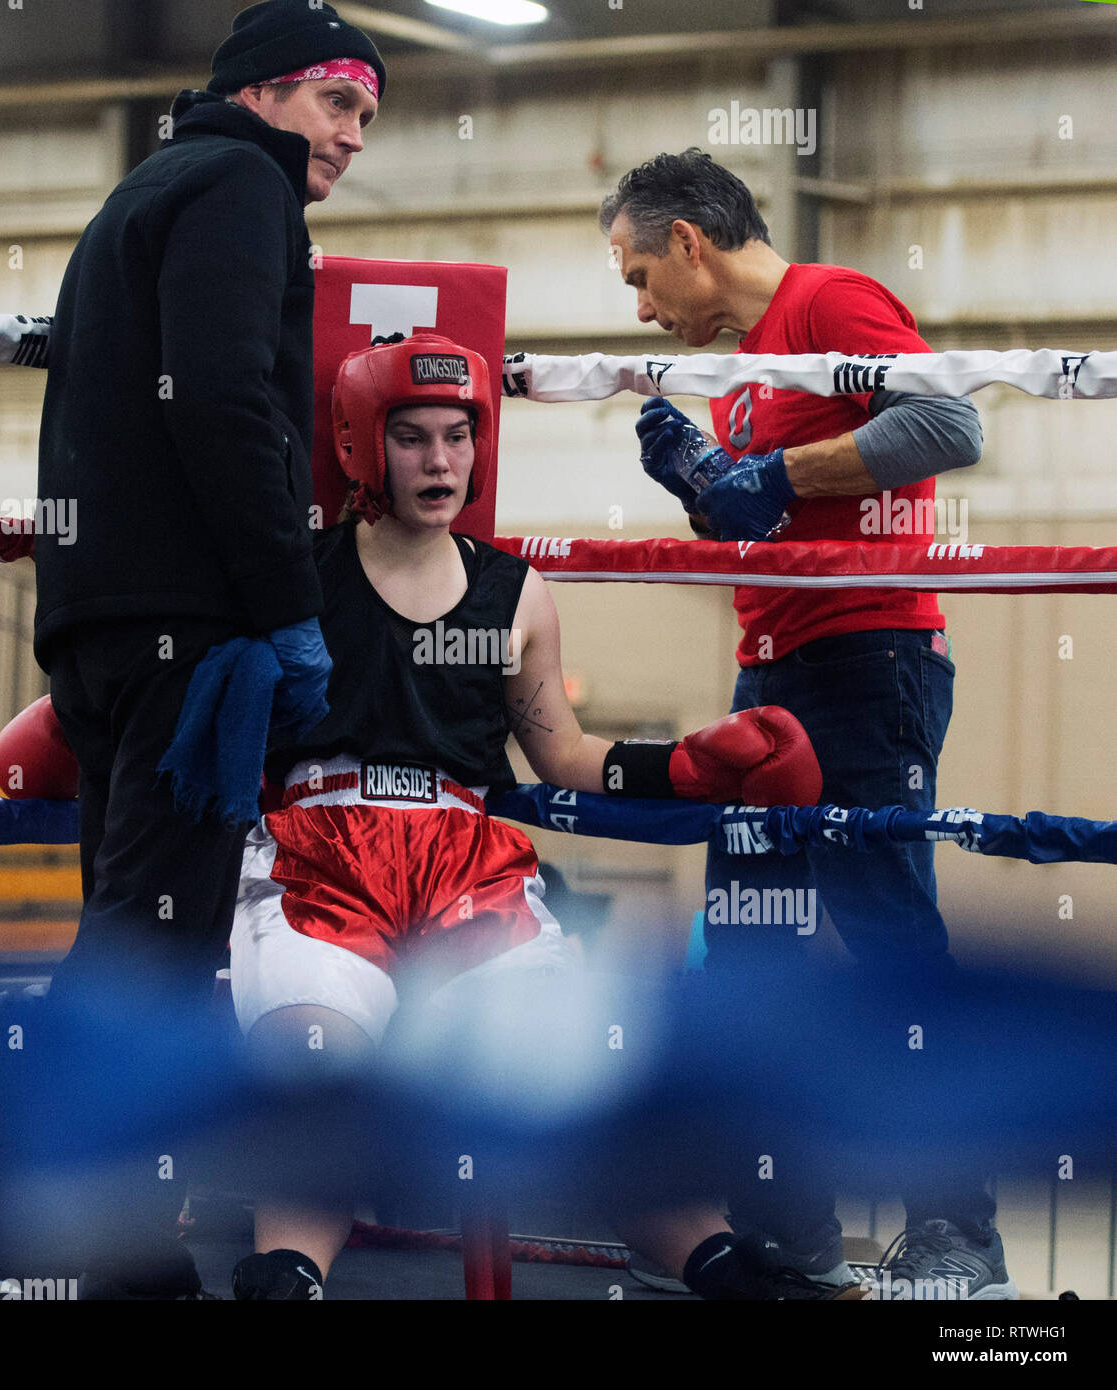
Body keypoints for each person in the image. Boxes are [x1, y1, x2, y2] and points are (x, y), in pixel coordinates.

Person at [0, 1, 390, 1302]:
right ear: (271, 91)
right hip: (192, 627)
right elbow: (226, 398)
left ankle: (89, 1242)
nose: (352, 136)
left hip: (113, 619)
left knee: (138, 937)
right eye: (341, 103)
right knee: (155, 946)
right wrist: (287, 605)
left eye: (368, 117)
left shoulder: (148, 188)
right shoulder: (240, 182)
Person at [223, 332, 826, 1299]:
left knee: (566, 1066)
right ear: (363, 446)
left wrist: (682, 765)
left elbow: (563, 754)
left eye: (458, 436)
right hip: (319, 855)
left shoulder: (516, 593)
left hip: (468, 862)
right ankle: (287, 1277)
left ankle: (732, 1271)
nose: (439, 461)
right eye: (413, 437)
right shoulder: (296, 575)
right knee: (316, 1068)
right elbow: (212, 709)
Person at [599, 149, 1015, 1299]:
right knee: (751, 952)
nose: (636, 307)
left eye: (639, 274)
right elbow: (762, 512)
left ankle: (958, 1236)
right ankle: (790, 1227)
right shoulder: (743, 366)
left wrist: (768, 474)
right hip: (768, 676)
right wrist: (708, 482)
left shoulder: (827, 301)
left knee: (886, 946)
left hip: (865, 655)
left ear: (689, 240)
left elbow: (947, 425)